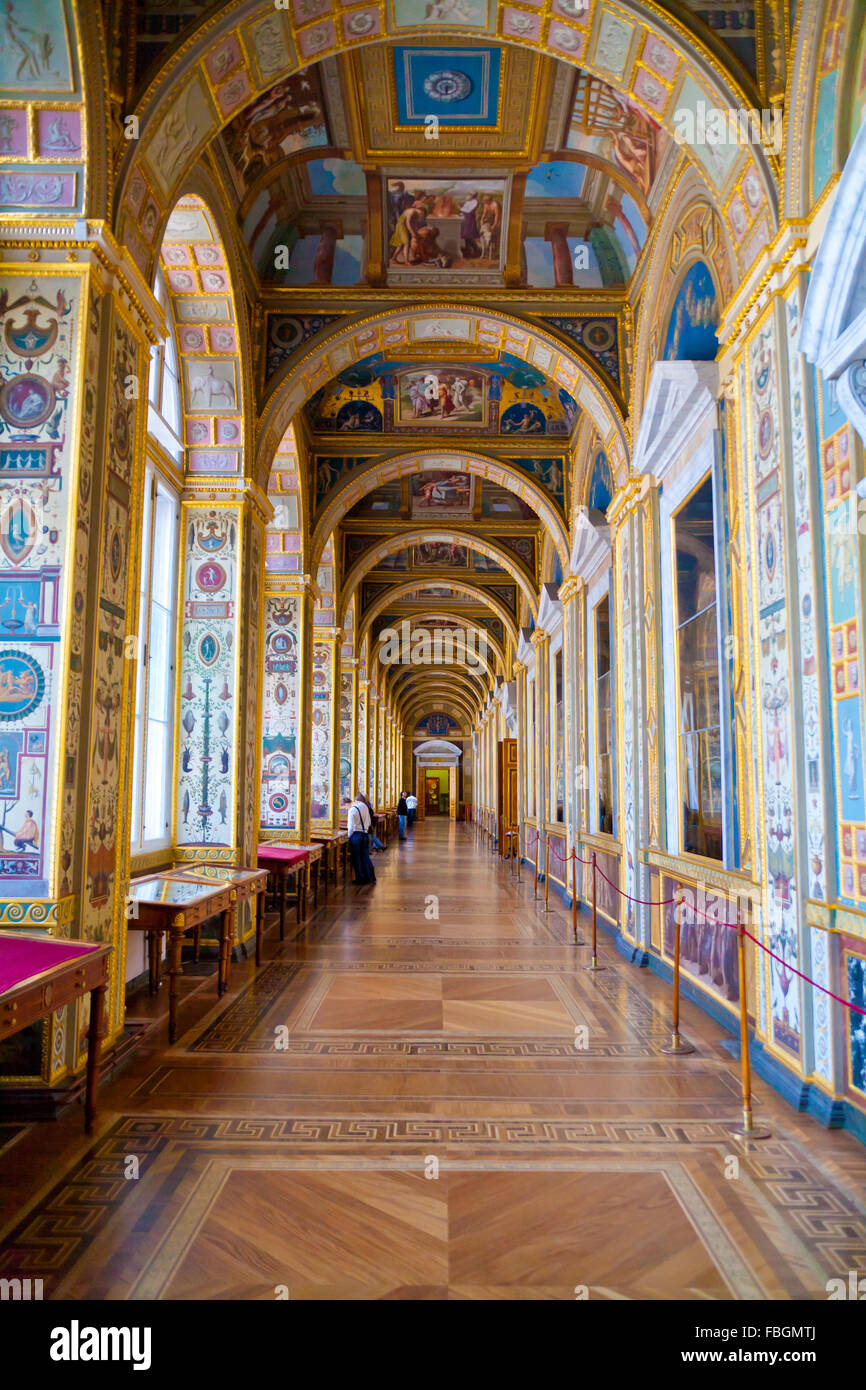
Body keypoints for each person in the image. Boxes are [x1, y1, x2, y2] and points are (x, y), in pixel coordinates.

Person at [347, 789, 375, 885]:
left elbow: (350, 826)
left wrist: (349, 836)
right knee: (365, 856)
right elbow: (369, 822)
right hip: (365, 834)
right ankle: (369, 876)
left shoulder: (353, 809)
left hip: (356, 835)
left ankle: (359, 878)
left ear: (355, 800)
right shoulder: (365, 807)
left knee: (356, 858)